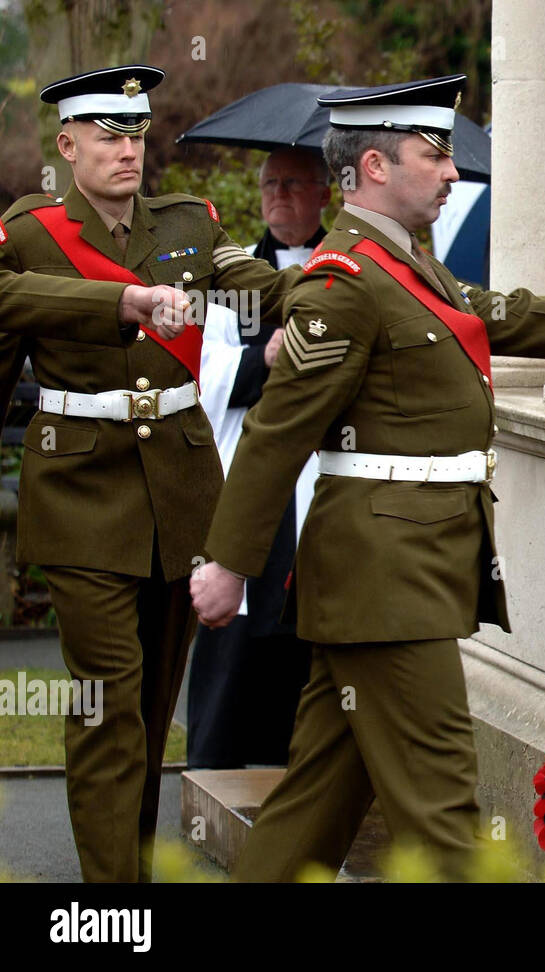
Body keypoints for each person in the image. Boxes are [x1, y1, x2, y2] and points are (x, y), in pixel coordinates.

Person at [189, 74, 545, 881]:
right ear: (376, 166)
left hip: (401, 569)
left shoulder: (403, 265)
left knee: (315, 801)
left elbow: (513, 313)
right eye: (435, 154)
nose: (453, 173)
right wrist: (229, 563)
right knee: (444, 809)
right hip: (385, 577)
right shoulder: (341, 283)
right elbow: (278, 431)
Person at [0, 64, 298, 881]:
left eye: (136, 134)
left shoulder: (192, 224)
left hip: (179, 489)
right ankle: (112, 904)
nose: (128, 151)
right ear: (67, 144)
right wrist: (120, 304)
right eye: (107, 136)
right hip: (81, 494)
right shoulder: (29, 232)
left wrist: (339, 283)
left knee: (147, 708)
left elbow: (263, 291)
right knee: (107, 706)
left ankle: (128, 878)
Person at [188, 147, 330, 768]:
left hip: (325, 474)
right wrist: (263, 359)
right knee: (237, 637)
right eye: (270, 184)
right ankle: (214, 780)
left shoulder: (343, 275)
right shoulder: (235, 278)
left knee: (309, 636)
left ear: (327, 191)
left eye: (293, 184)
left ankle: (297, 781)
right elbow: (203, 370)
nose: (278, 195)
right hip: (250, 471)